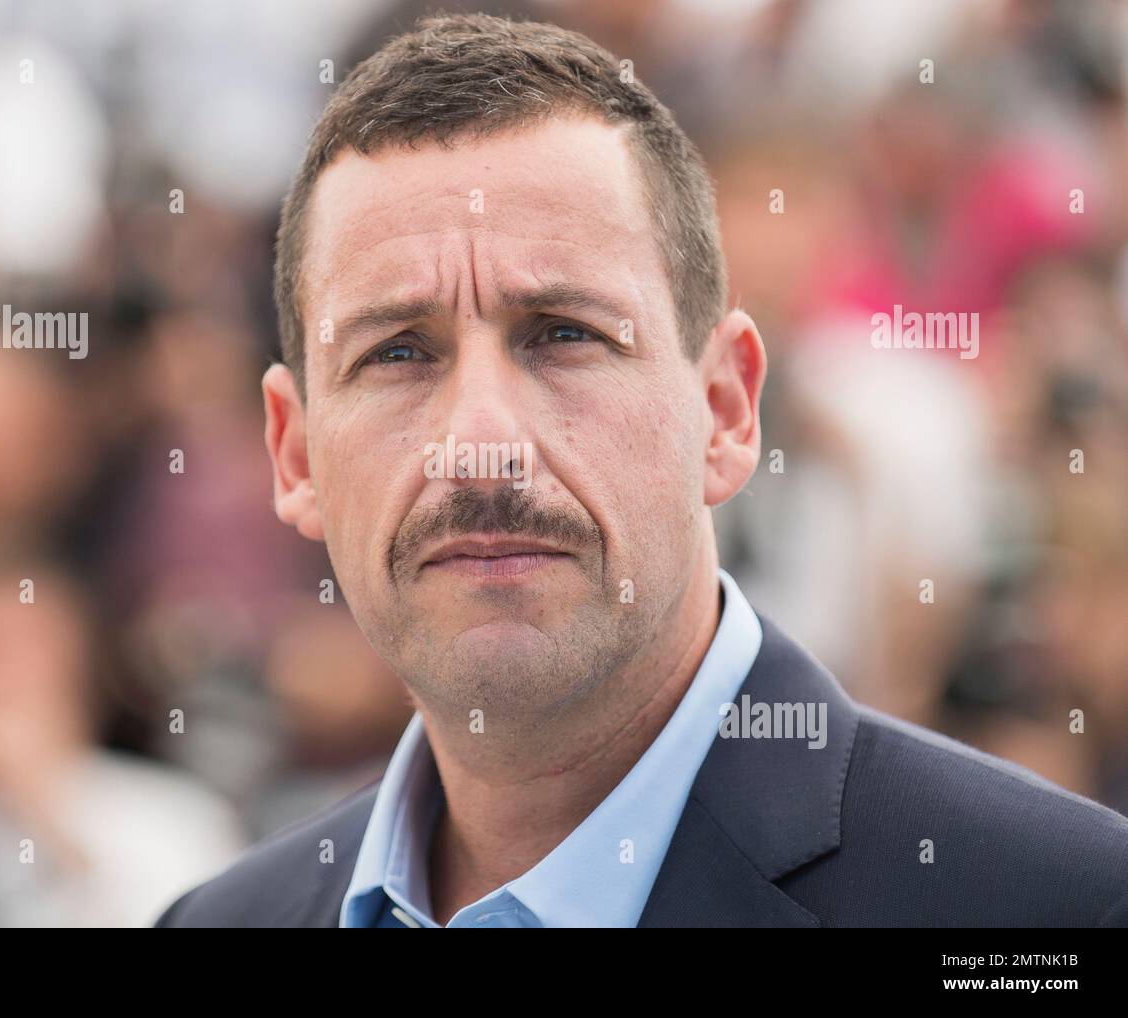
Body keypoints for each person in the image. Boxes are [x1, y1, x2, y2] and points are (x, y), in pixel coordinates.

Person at [156, 13, 1128, 928]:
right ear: (294, 453)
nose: (481, 442)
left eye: (562, 334)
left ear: (726, 407)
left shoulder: (1051, 906)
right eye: (398, 353)